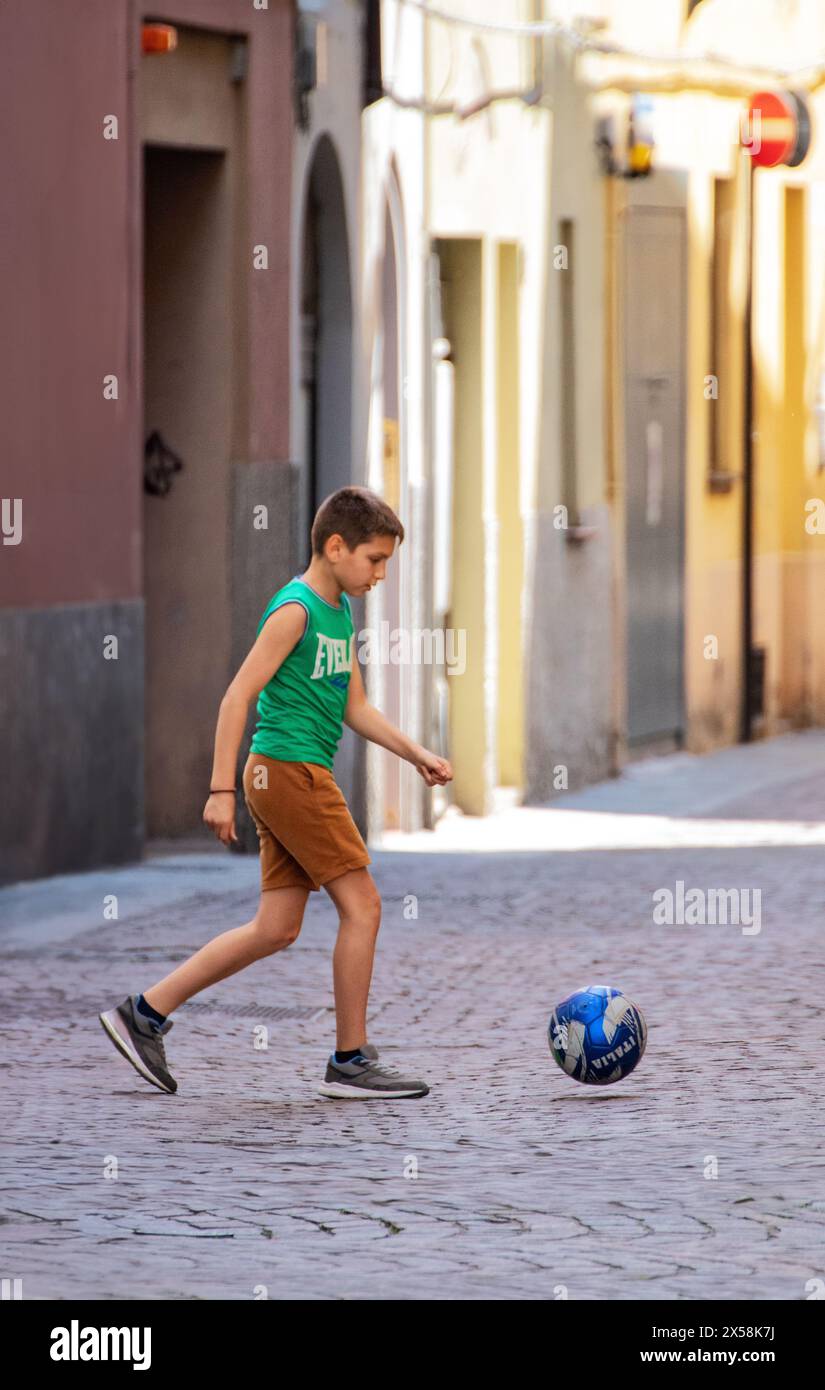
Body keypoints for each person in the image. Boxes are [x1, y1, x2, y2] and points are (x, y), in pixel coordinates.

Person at [99, 485, 453, 1100]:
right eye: (375, 559)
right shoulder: (295, 610)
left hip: (292, 774)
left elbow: (355, 707)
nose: (380, 574)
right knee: (364, 907)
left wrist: (415, 753)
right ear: (335, 546)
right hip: (290, 772)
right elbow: (237, 695)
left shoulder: (339, 612)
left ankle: (144, 1014)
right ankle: (350, 1059)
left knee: (276, 927)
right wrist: (219, 790)